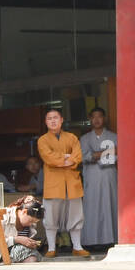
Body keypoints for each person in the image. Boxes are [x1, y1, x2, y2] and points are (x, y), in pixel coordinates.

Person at [36, 108, 89, 258]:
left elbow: (78, 156)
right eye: (49, 118)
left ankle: (77, 246)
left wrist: (64, 160)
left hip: (72, 182)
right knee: (51, 215)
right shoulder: (43, 140)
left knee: (76, 214)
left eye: (55, 118)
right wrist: (65, 158)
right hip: (53, 183)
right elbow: (49, 158)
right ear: (46, 122)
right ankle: (52, 247)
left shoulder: (72, 137)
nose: (52, 121)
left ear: (61, 120)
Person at [80, 107, 117, 249]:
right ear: (90, 119)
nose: (97, 120)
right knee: (92, 207)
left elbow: (118, 155)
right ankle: (91, 241)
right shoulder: (84, 139)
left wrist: (96, 155)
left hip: (109, 176)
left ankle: (111, 239)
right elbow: (84, 156)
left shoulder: (114, 137)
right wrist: (106, 153)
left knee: (110, 205)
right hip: (92, 176)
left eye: (99, 116)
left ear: (105, 118)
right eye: (93, 117)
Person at [1, 196, 45, 263]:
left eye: (34, 222)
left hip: (23, 254)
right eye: (30, 221)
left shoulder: (29, 224)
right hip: (2, 254)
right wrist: (16, 239)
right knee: (32, 258)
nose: (31, 224)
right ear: (24, 212)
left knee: (34, 257)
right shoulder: (4, 216)